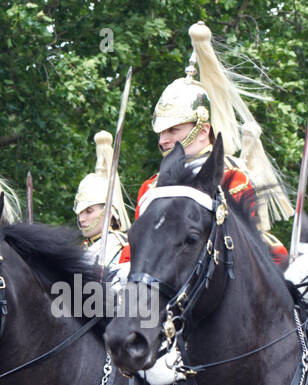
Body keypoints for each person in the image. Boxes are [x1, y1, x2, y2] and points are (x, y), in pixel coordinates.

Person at [125, 22, 290, 267]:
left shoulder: (232, 177)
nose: (163, 140)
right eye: (160, 132)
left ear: (203, 130)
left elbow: (239, 248)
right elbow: (135, 250)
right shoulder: (150, 187)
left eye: (173, 130)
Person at [72, 131, 129, 268]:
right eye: (80, 212)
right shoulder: (84, 248)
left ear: (109, 212)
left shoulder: (124, 249)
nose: (82, 219)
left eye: (89, 211)